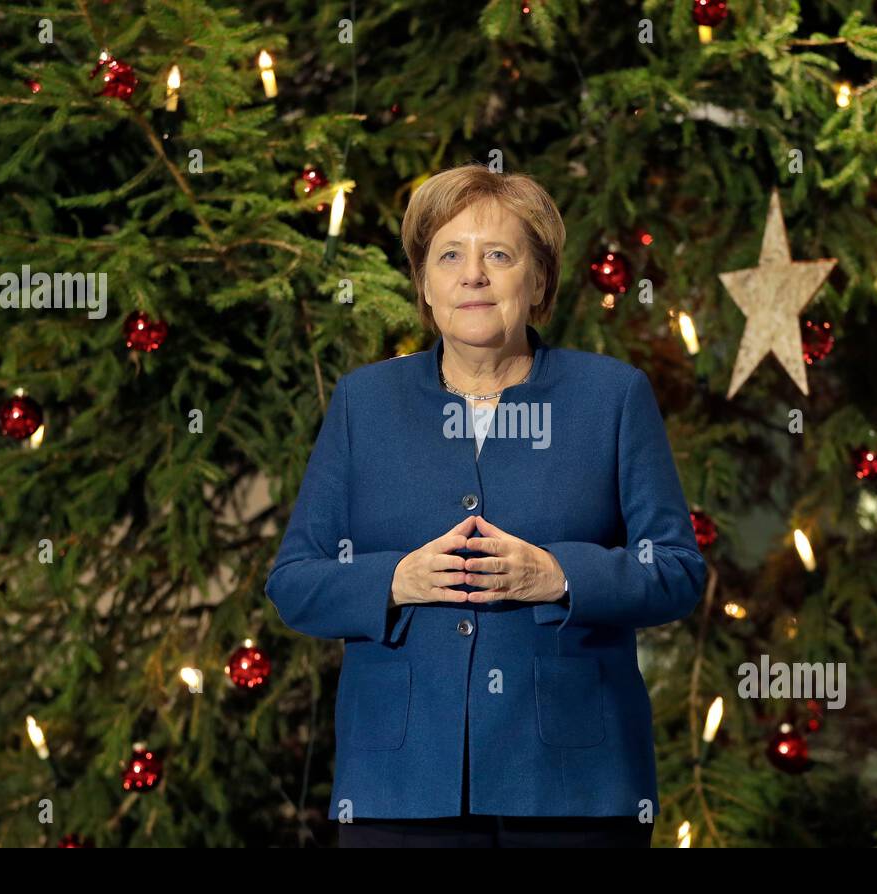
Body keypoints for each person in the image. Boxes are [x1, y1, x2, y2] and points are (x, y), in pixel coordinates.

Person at [265, 162, 706, 847]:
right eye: (449, 256)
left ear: (538, 282)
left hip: (576, 787)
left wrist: (558, 576)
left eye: (499, 255)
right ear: (424, 284)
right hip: (399, 789)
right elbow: (293, 582)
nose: (473, 275)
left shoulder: (612, 398)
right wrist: (394, 580)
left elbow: (678, 570)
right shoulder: (363, 403)